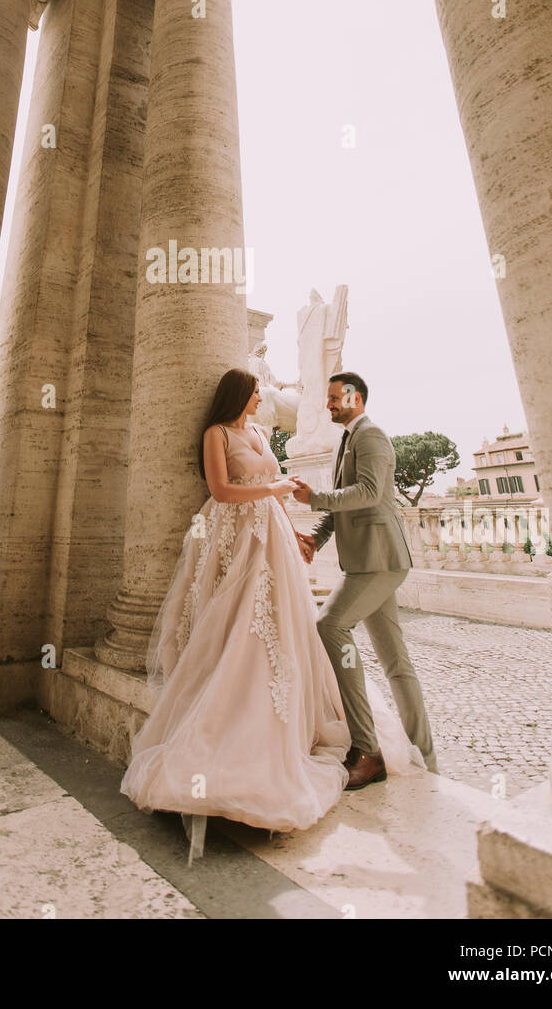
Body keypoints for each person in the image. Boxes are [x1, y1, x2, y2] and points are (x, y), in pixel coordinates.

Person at [120, 368, 423, 860]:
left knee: (284, 629)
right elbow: (221, 492)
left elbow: (279, 484)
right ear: (240, 395)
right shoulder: (215, 434)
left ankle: (376, 740)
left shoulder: (260, 433)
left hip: (273, 538)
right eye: (258, 389)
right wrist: (276, 493)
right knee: (237, 627)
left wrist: (300, 534)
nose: (264, 395)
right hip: (233, 538)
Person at [291, 372, 438, 787]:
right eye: (330, 399)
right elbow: (346, 503)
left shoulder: (371, 437)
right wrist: (316, 538)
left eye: (336, 398)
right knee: (396, 664)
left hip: (380, 561)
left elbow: (369, 493)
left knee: (330, 625)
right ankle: (424, 757)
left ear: (356, 398)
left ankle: (368, 750)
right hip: (368, 562)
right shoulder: (347, 440)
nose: (330, 405)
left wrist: (314, 497)